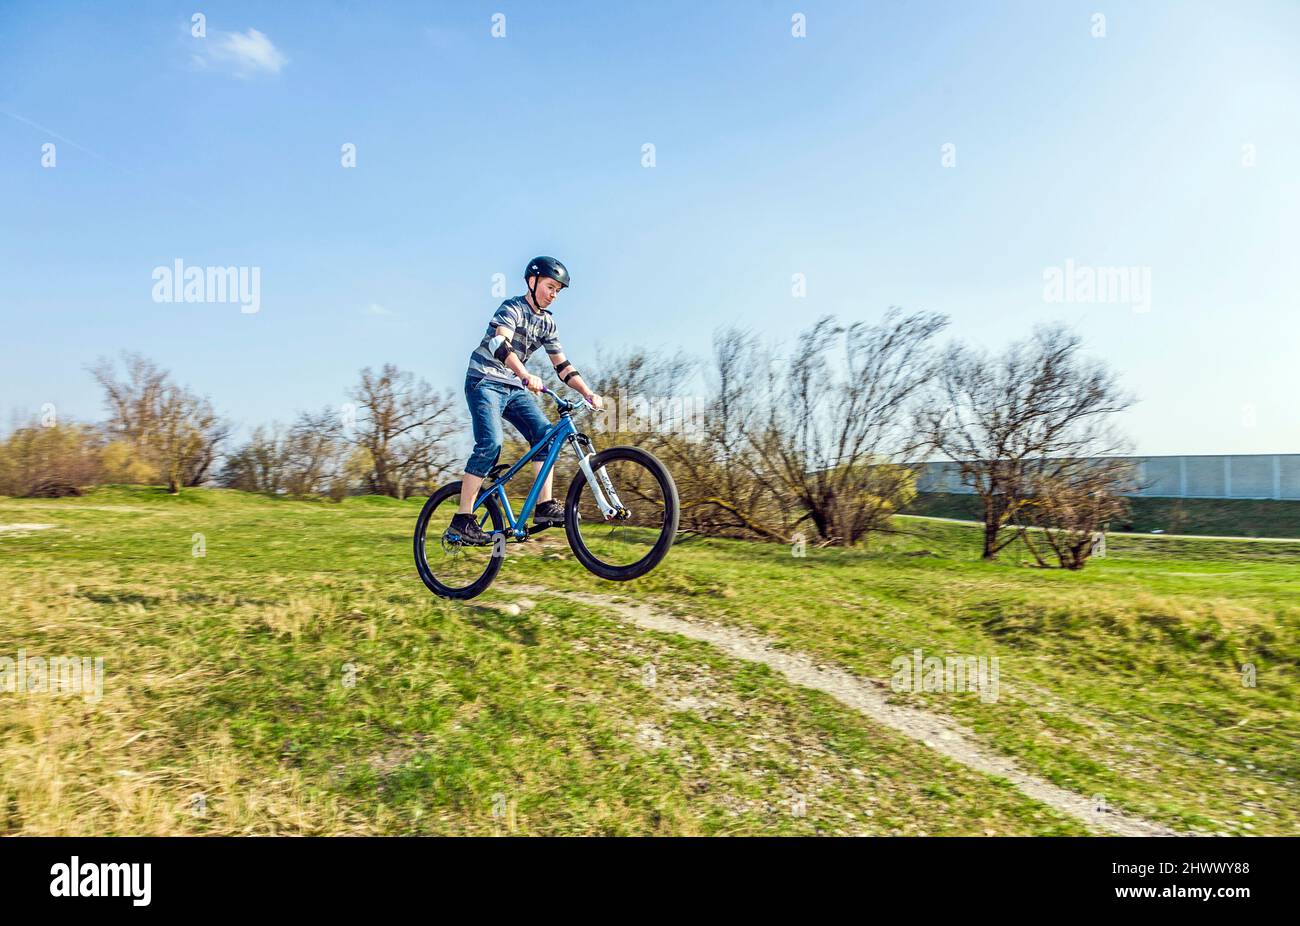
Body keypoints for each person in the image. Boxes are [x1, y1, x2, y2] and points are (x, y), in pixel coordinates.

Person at [448, 256, 603, 545]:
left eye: (558, 290)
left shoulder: (548, 324)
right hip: (484, 380)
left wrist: (587, 392)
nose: (554, 294)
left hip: (514, 386)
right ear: (532, 282)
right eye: (549, 286)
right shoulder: (513, 308)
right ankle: (462, 520)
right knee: (491, 444)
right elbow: (498, 342)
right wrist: (524, 373)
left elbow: (563, 366)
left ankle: (545, 507)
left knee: (545, 436)